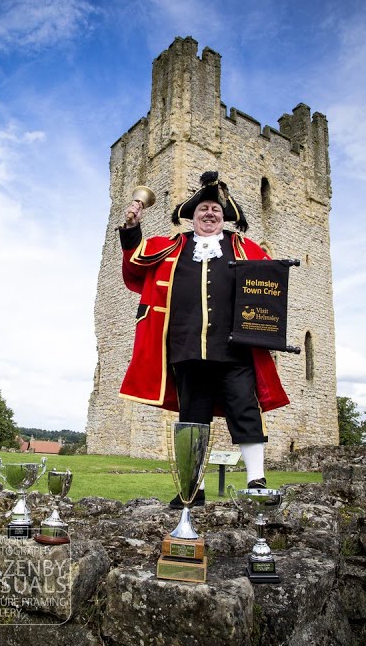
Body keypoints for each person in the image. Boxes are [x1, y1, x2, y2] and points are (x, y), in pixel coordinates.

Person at [117, 171, 289, 507]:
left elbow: (270, 284)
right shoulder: (171, 246)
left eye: (215, 210)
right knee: (192, 416)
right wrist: (132, 225)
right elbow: (136, 260)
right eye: (203, 210)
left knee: (244, 409)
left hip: (235, 348)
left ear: (224, 217)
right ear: (192, 216)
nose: (209, 214)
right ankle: (192, 489)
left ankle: (257, 481)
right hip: (186, 347)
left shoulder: (245, 247)